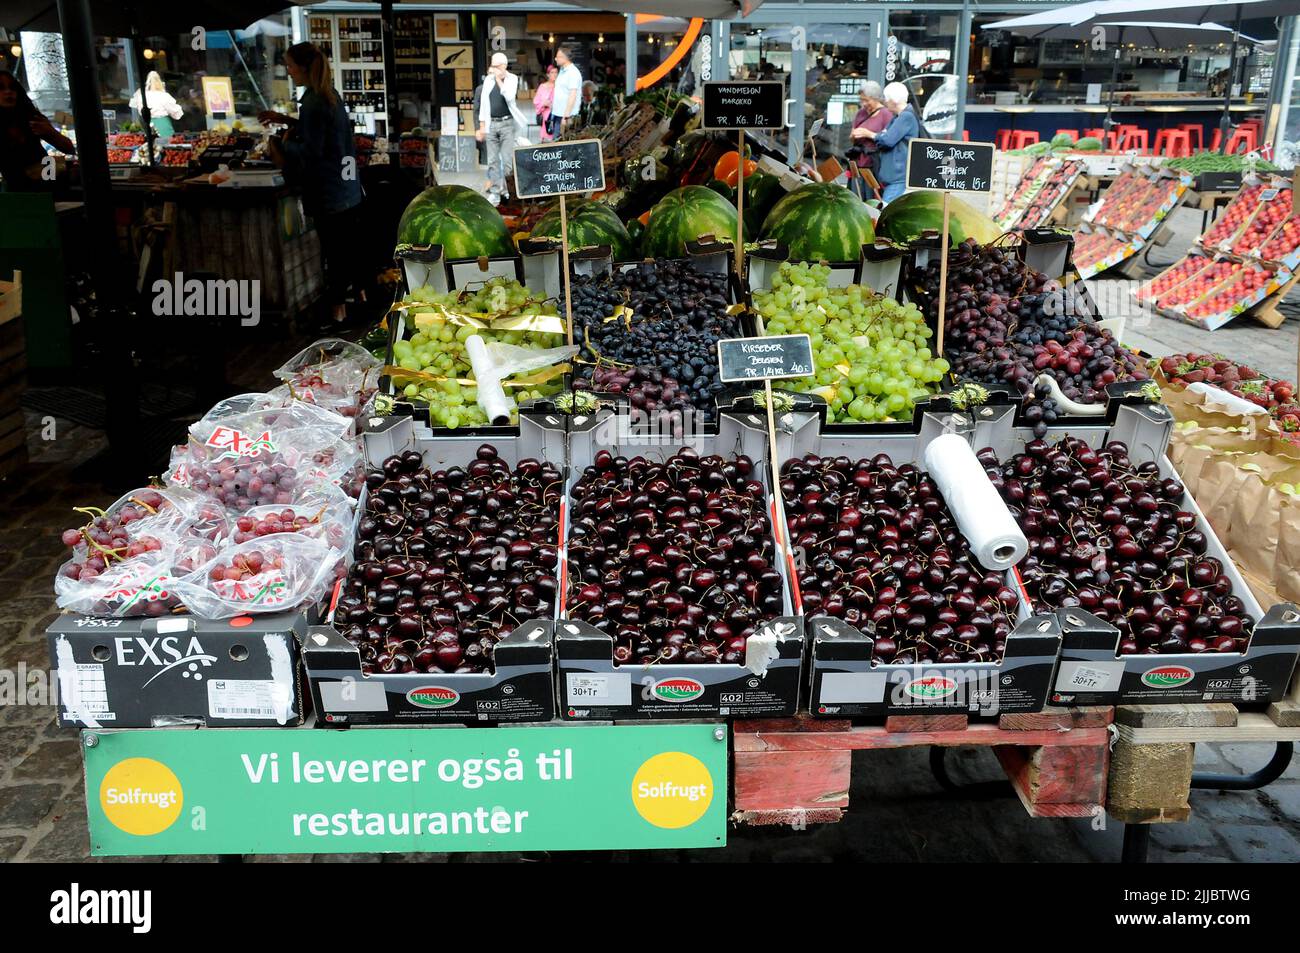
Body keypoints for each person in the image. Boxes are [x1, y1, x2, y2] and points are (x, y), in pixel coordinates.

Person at [258, 42, 364, 328]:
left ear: (303, 68)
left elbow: (311, 153)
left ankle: (338, 314)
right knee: (346, 250)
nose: (288, 71)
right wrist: (285, 120)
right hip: (347, 188)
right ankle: (360, 302)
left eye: (290, 66)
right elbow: (322, 132)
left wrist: (282, 145)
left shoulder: (314, 102)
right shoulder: (328, 96)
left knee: (334, 253)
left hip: (328, 191)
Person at [0, 70, 76, 192]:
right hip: (18, 193)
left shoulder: (31, 118)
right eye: (1, 88)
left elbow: (69, 148)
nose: (8, 92)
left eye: (12, 88)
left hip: (49, 187)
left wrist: (49, 131)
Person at [476, 51, 530, 205]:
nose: (492, 69)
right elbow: (484, 104)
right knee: (492, 160)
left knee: (507, 161)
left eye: (495, 66)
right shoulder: (488, 80)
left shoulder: (512, 79)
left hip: (507, 123)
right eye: (492, 65)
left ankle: (508, 191)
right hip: (491, 124)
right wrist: (482, 125)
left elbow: (509, 96)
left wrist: (500, 80)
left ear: (504, 66)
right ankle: (495, 192)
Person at [860, 81, 918, 204]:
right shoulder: (898, 117)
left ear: (894, 100)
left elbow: (887, 140)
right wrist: (880, 136)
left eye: (887, 99)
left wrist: (873, 135)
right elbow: (884, 136)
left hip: (898, 177)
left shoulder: (905, 117)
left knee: (885, 210)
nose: (885, 102)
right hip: (894, 175)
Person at [848, 80, 889, 198]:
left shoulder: (886, 114)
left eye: (866, 100)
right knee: (856, 195)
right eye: (862, 100)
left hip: (875, 164)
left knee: (872, 196)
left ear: (876, 98)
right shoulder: (861, 113)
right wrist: (853, 135)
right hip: (858, 162)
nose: (863, 103)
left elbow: (888, 140)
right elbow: (852, 135)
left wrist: (868, 133)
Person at [128, 71, 184, 139]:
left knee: (151, 146)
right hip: (163, 125)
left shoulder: (142, 96)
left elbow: (141, 111)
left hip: (147, 125)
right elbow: (177, 113)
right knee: (166, 145)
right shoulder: (164, 96)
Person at [552, 45, 583, 136]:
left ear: (564, 58)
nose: (555, 59)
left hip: (567, 116)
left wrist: (565, 117)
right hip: (558, 114)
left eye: (557, 57)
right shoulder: (562, 70)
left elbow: (572, 95)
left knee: (562, 145)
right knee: (557, 145)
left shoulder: (572, 72)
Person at [533, 64, 558, 142]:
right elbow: (536, 102)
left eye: (556, 72)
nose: (554, 74)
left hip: (558, 118)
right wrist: (544, 104)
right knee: (546, 143)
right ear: (548, 74)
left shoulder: (560, 86)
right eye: (552, 72)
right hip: (547, 119)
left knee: (557, 141)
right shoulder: (542, 87)